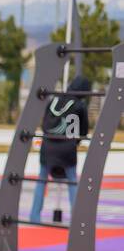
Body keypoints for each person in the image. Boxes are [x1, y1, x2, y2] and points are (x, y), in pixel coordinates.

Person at [30, 74, 92, 225]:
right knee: (72, 181)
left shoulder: (54, 99)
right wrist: (75, 142)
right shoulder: (79, 105)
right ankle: (76, 219)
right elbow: (83, 131)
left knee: (42, 180)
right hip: (67, 147)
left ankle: (34, 216)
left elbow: (44, 122)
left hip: (48, 146)